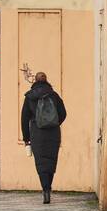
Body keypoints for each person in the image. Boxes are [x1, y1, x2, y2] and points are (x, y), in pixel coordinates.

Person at [21, 71, 67, 204]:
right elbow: (63, 113)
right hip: (53, 133)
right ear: (46, 80)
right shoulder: (54, 95)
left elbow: (24, 119)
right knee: (51, 161)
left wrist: (26, 138)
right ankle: (48, 187)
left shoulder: (30, 97)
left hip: (37, 134)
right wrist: (54, 123)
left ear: (35, 81)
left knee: (41, 163)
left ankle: (45, 190)